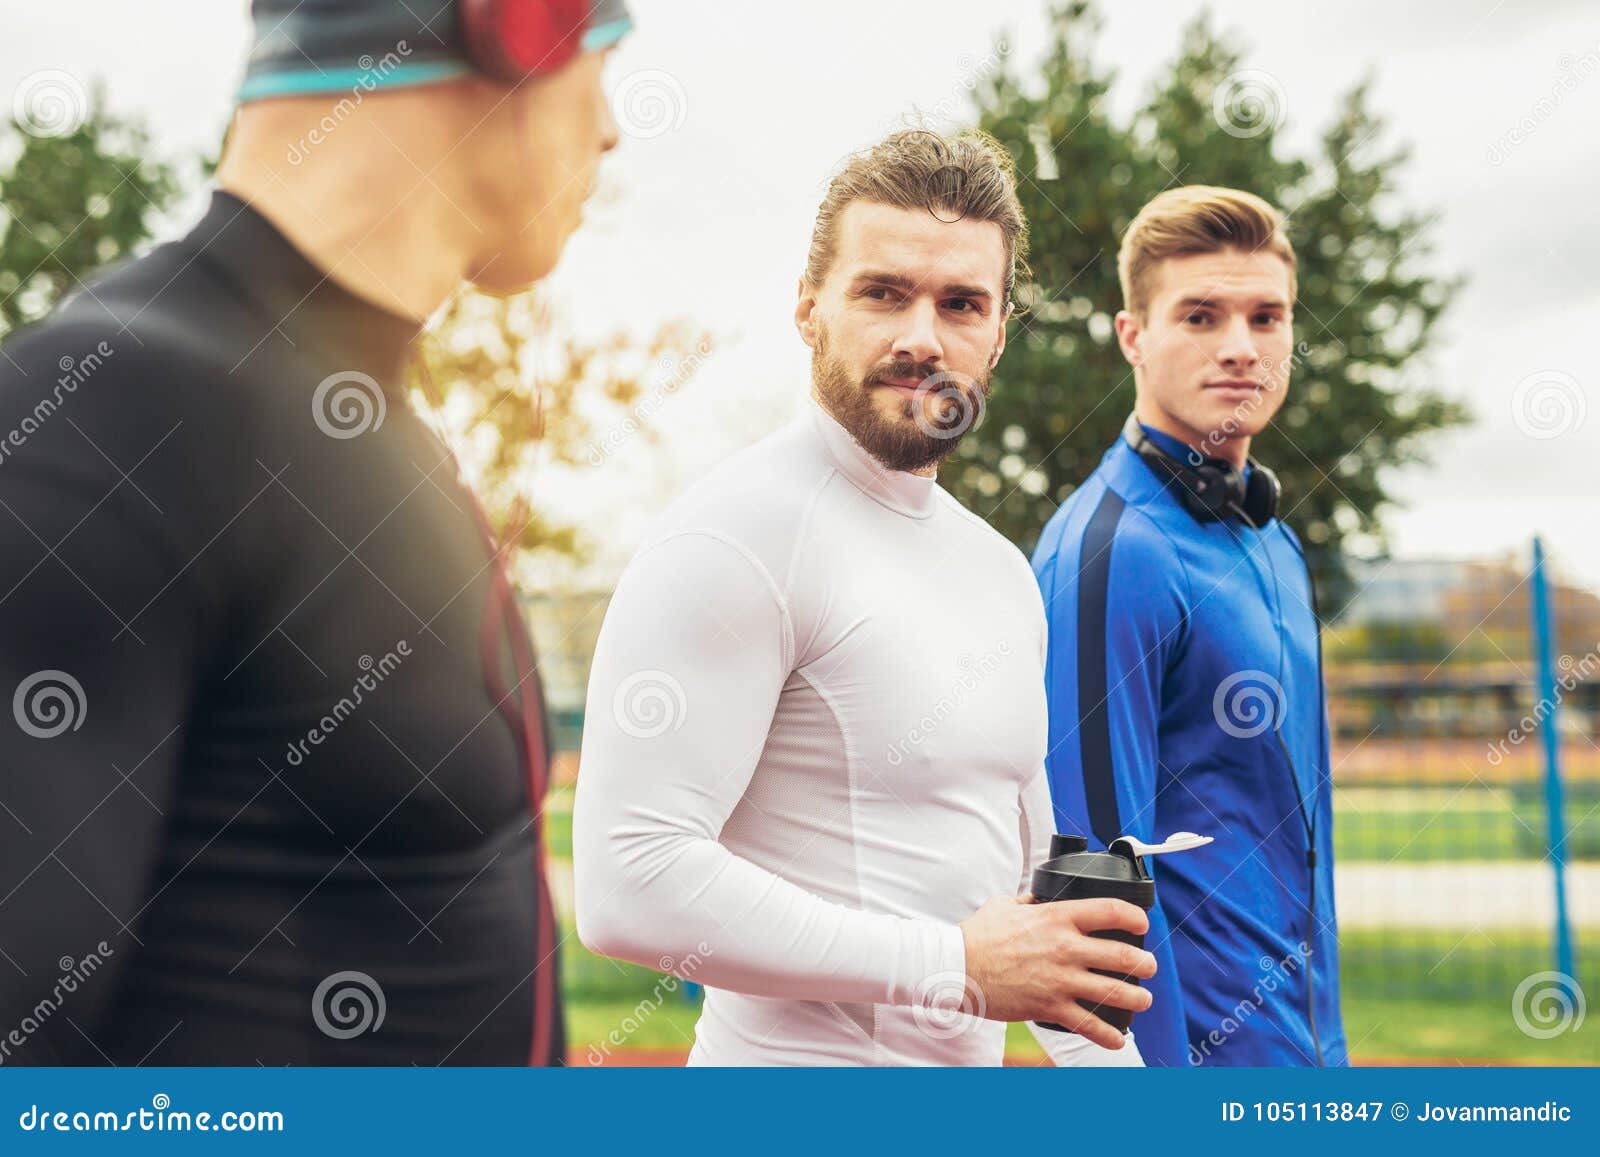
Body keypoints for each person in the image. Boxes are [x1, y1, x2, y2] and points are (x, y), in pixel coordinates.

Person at [0, 0, 631, 1065]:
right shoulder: (103, 418)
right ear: (521, 27)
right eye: (603, 58)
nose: (611, 125)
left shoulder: (384, 435)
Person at [573, 129, 1157, 1066]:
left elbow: (1034, 918)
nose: (923, 337)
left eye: (962, 303)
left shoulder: (1000, 571)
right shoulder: (731, 536)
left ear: (998, 333)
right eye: (884, 291)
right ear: (809, 308)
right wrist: (950, 963)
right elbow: (626, 882)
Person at [1030, 186, 1348, 1066]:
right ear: (1133, 335)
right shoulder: (1109, 553)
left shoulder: (1275, 541)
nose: (1241, 348)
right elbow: (1086, 883)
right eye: (1201, 316)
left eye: (1267, 316)